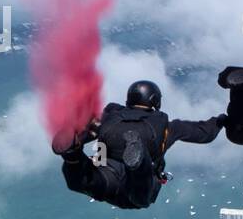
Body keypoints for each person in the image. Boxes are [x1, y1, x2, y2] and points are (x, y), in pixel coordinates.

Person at [52, 80, 225, 210]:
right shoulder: (167, 128)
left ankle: (72, 157)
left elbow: (87, 133)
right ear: (155, 101)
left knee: (81, 181)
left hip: (106, 177)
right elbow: (204, 134)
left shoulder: (110, 118)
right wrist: (220, 121)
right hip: (134, 189)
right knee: (140, 196)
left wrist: (75, 144)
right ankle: (138, 163)